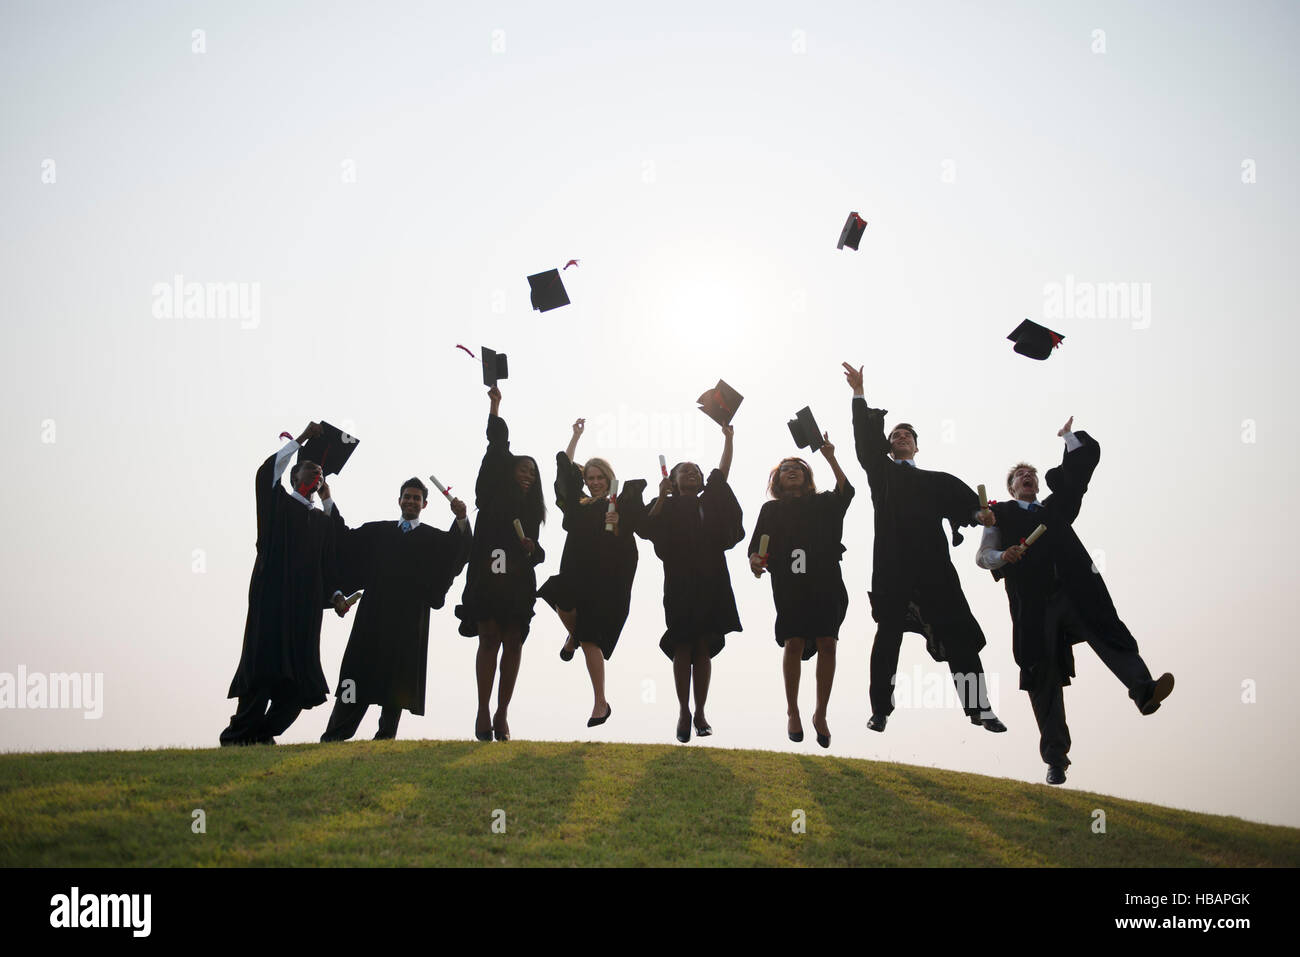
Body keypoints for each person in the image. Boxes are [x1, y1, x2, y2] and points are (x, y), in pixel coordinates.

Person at [976, 416, 1174, 785]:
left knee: (1108, 634)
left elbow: (1077, 476)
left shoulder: (1056, 509)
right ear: (1011, 486)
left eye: (1030, 474)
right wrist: (1005, 557)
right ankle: (1055, 759)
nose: (1027, 477)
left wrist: (1068, 437)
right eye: (1020, 475)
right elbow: (982, 556)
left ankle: (1143, 690)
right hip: (1034, 606)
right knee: (1042, 674)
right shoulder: (998, 514)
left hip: (1076, 592)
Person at [842, 362, 1006, 735]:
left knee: (960, 638)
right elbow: (864, 443)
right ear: (888, 445)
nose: (900, 436)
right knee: (887, 638)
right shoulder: (881, 475)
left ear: (916, 444)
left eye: (907, 434)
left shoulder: (937, 481)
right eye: (895, 434)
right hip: (892, 567)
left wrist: (982, 516)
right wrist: (859, 393)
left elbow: (969, 507)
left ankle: (980, 708)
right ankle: (880, 710)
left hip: (934, 570)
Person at [221, 422, 348, 746]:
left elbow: (330, 563)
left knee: (299, 686)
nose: (316, 474)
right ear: (293, 476)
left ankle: (263, 735)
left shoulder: (321, 521)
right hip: (272, 604)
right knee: (262, 672)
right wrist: (302, 439)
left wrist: (335, 596)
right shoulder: (276, 504)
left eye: (320, 472)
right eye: (309, 468)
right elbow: (267, 473)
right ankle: (237, 736)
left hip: (303, 614)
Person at [319, 478, 472, 742]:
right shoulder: (377, 532)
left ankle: (385, 739)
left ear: (425, 504)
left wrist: (461, 520)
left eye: (416, 498)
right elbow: (343, 538)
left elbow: (458, 551)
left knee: (397, 679)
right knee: (356, 675)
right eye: (407, 497)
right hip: (372, 618)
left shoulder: (433, 539)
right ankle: (334, 736)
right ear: (399, 500)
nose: (411, 501)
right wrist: (326, 499)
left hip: (408, 621)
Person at [637, 424, 744, 743]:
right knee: (682, 642)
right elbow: (645, 527)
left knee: (704, 645)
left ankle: (700, 712)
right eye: (685, 470)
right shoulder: (667, 504)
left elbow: (721, 473)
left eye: (696, 470)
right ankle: (683, 711)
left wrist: (728, 439)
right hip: (680, 580)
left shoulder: (709, 499)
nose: (693, 473)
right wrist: (660, 495)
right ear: (673, 478)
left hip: (713, 578)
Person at [539, 419, 647, 727]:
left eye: (600, 477)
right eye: (590, 477)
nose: (595, 481)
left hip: (605, 577)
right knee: (558, 595)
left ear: (609, 478)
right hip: (575, 567)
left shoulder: (619, 502)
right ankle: (572, 633)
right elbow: (565, 474)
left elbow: (630, 533)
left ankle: (600, 703)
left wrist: (618, 522)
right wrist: (575, 436)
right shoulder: (579, 503)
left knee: (591, 638)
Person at [454, 386, 546, 742]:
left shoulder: (533, 512)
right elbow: (497, 447)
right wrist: (495, 406)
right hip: (487, 576)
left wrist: (532, 547)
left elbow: (538, 554)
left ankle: (502, 712)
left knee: (513, 641)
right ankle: (481, 710)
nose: (528, 474)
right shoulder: (492, 493)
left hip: (518, 580)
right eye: (523, 469)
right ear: (509, 472)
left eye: (533, 473)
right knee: (488, 636)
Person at [748, 436, 853, 748]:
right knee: (793, 642)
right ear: (777, 480)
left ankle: (820, 713)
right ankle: (792, 710)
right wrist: (755, 560)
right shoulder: (771, 510)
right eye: (785, 469)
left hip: (825, 580)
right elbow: (756, 547)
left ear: (808, 477)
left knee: (827, 642)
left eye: (798, 468)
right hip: (789, 582)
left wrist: (831, 457)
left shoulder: (823, 503)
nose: (791, 471)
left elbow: (846, 492)